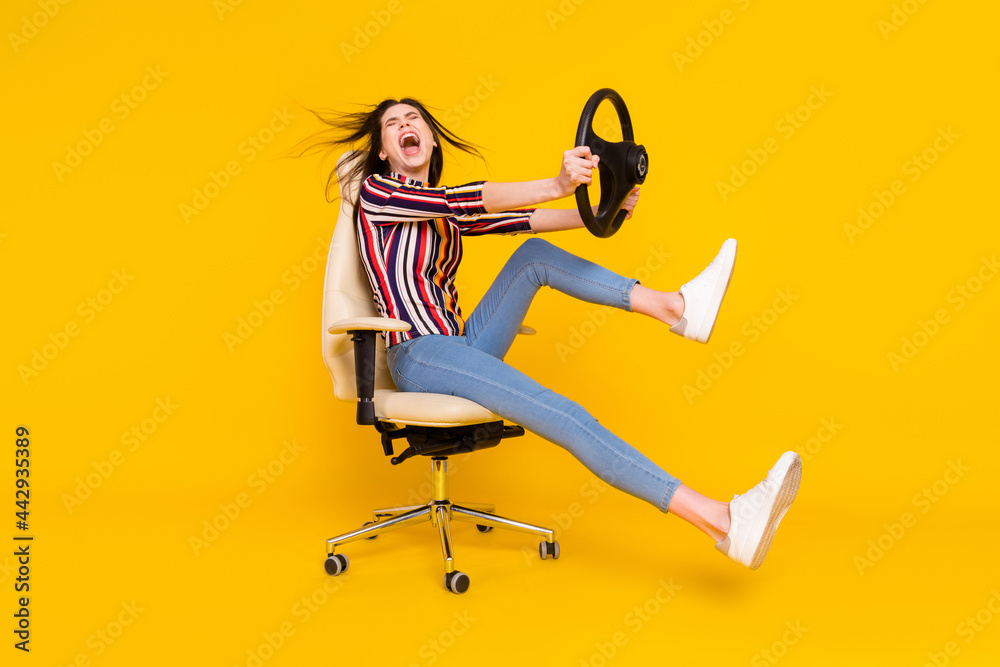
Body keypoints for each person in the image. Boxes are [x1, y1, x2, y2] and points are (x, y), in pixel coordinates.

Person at [302, 97, 801, 570]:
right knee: (563, 412)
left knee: (531, 258)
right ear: (386, 151)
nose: (405, 126)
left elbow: (521, 219)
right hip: (420, 355)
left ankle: (676, 308)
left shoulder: (441, 217)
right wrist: (558, 182)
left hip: (460, 346)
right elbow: (460, 201)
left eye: (414, 119)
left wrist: (602, 211)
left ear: (430, 141)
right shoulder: (378, 194)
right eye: (393, 124)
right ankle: (722, 521)